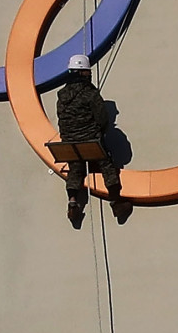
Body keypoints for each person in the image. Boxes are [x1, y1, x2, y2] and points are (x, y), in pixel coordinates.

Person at [56, 54, 131, 224]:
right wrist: (100, 132)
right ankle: (116, 202)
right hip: (90, 140)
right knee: (107, 165)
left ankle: (73, 202)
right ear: (84, 72)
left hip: (69, 143)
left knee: (75, 168)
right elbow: (102, 118)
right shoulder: (90, 94)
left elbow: (61, 118)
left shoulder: (61, 95)